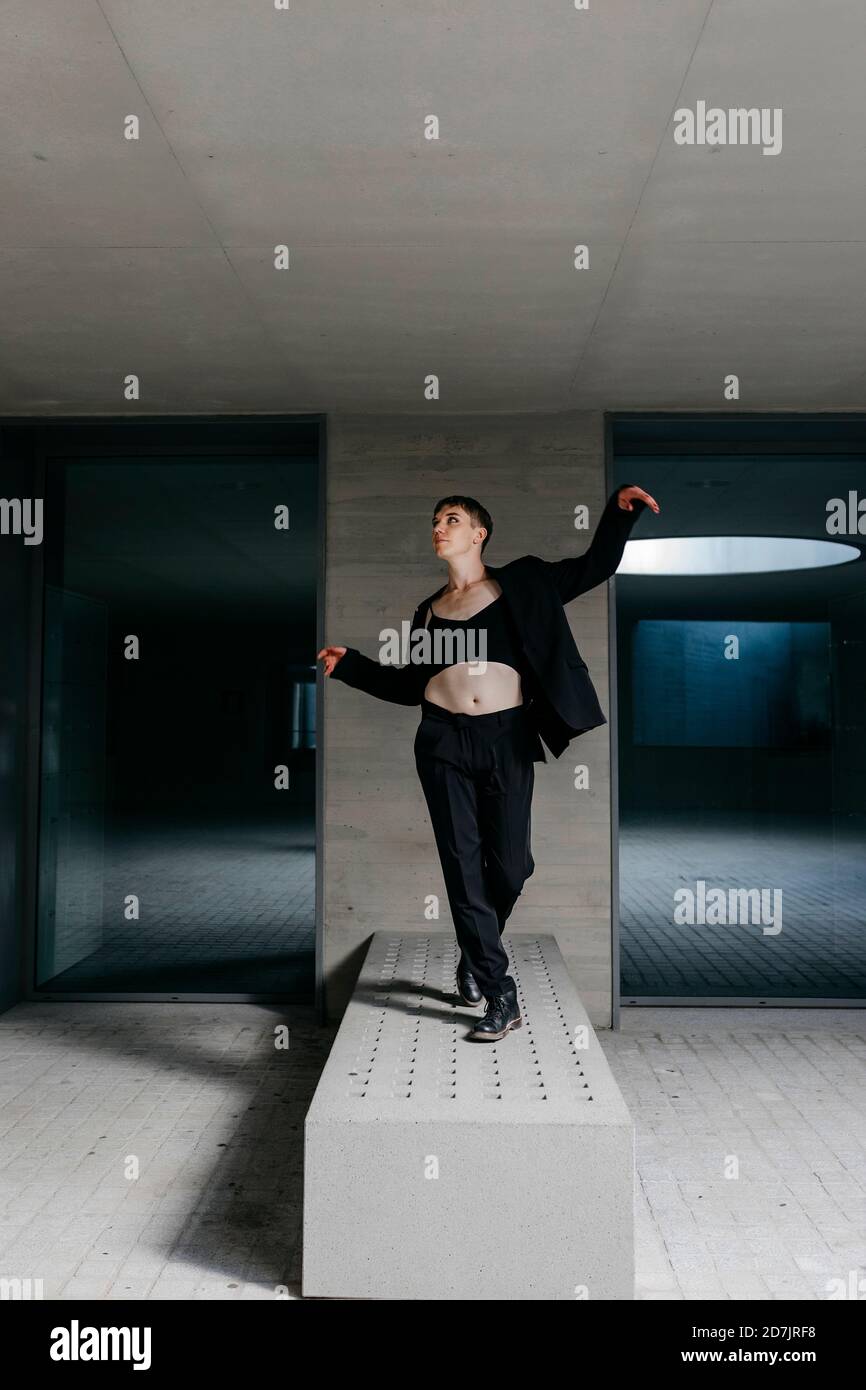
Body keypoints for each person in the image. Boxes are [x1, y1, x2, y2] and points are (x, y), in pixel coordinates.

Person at [318, 481, 659, 1041]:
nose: (439, 527)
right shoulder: (428, 613)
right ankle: (500, 992)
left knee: (509, 867)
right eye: (435, 521)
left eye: (450, 519)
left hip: (506, 738)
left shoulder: (524, 583)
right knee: (462, 868)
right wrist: (353, 665)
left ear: (479, 533)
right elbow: (411, 685)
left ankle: (478, 953)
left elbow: (595, 566)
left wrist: (618, 517)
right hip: (442, 744)